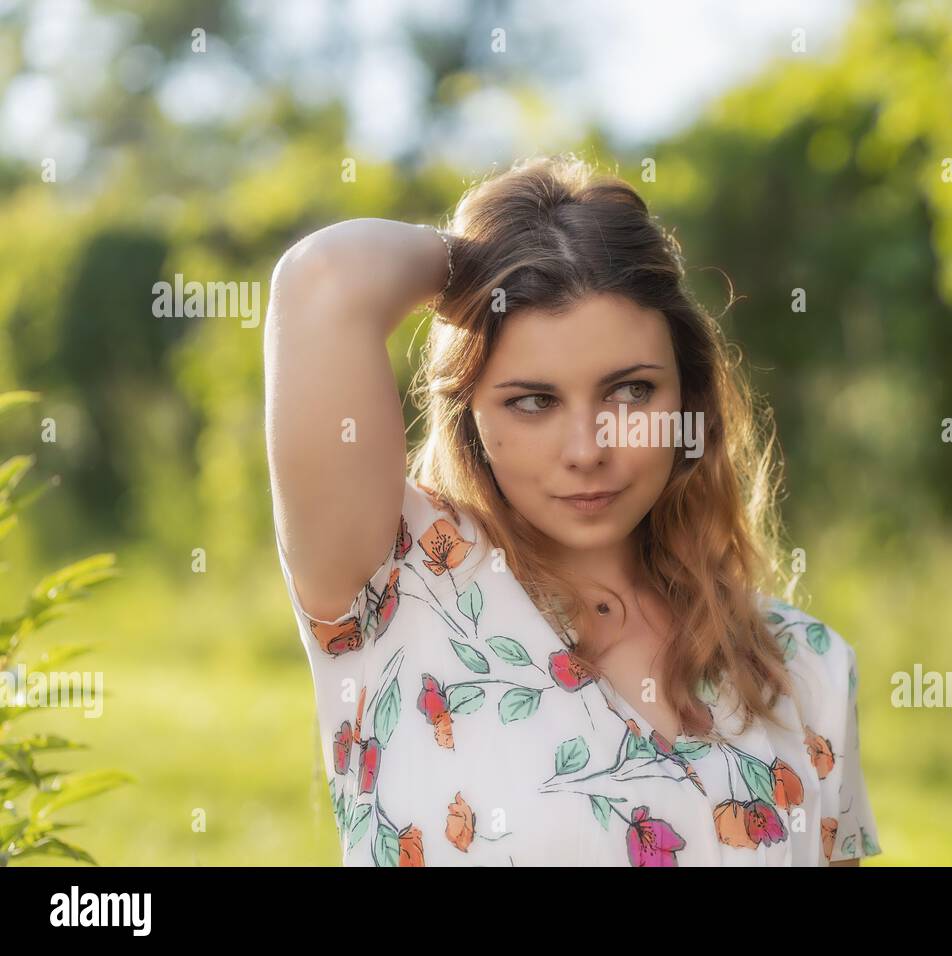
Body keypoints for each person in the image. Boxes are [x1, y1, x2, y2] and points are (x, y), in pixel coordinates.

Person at [263, 153, 882, 866]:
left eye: (630, 392)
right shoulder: (396, 586)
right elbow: (324, 277)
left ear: (689, 396)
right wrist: (504, 259)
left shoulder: (803, 665)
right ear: (472, 415)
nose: (587, 450)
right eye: (533, 401)